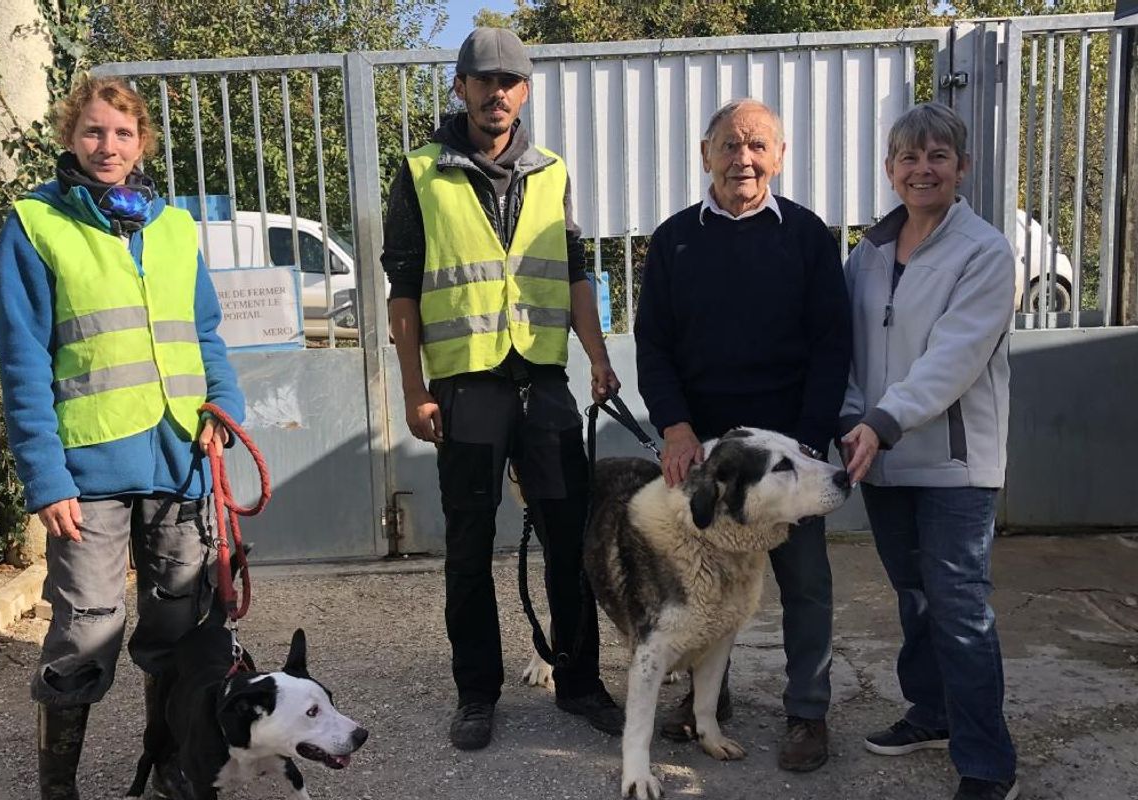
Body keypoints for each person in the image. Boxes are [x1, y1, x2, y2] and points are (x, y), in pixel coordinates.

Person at [0, 76, 244, 800]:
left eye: (123, 133)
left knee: (180, 628)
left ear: (143, 145)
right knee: (85, 629)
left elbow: (204, 333)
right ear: (71, 137)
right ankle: (59, 786)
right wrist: (45, 477)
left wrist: (223, 403)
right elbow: (22, 360)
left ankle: (167, 762)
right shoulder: (37, 223)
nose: (108, 146)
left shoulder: (174, 228)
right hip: (87, 472)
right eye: (94, 131)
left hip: (180, 458)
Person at [381, 26, 623, 751]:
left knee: (569, 541)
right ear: (461, 88)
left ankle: (579, 682)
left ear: (525, 90)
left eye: (510, 80)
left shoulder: (551, 170)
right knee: (469, 547)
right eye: (484, 80)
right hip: (466, 388)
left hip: (543, 383)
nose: (497, 92)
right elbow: (403, 290)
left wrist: (598, 356)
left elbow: (572, 273)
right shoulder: (420, 172)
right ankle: (476, 693)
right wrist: (413, 388)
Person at [634, 98, 851, 773]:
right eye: (729, 145)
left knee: (805, 583)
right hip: (707, 461)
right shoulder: (674, 240)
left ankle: (807, 712)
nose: (743, 159)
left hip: (789, 458)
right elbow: (653, 344)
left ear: (779, 156)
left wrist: (810, 444)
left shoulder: (808, 237)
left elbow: (831, 346)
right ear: (706, 155)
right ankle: (708, 701)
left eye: (757, 145)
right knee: (705, 586)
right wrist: (675, 427)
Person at [841, 102, 1019, 800]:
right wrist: (853, 417)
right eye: (909, 157)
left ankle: (987, 762)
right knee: (914, 598)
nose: (923, 169)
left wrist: (881, 420)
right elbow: (846, 346)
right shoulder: (867, 254)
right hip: (882, 458)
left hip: (954, 465)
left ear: (962, 167)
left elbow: (955, 358)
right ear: (891, 170)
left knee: (959, 607)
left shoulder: (984, 252)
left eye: (938, 156)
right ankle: (933, 712)